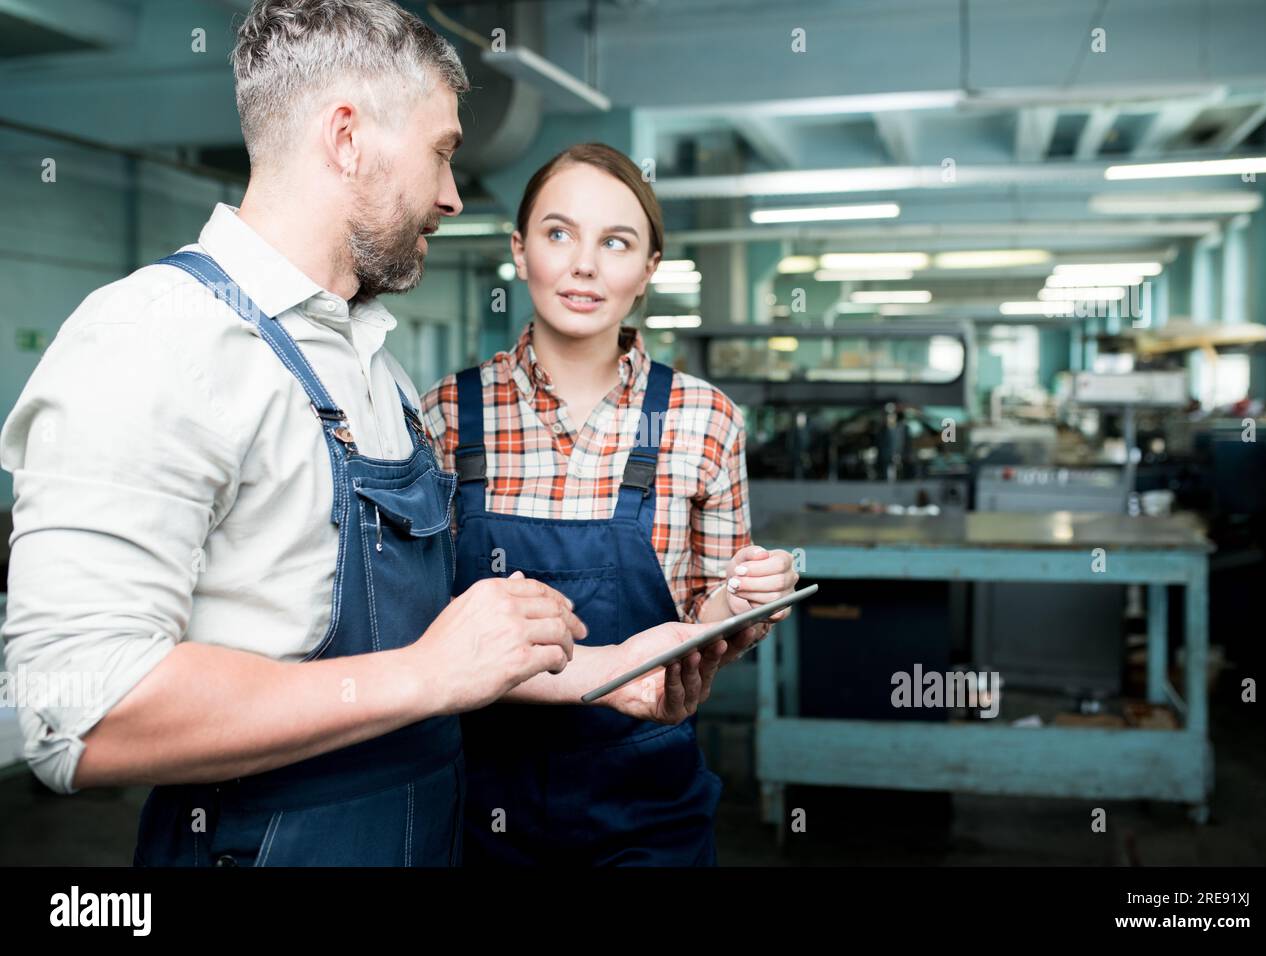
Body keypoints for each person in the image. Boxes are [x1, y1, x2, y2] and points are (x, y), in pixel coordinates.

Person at [0, 1, 720, 868]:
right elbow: (73, 712)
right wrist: (425, 678)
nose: (454, 194)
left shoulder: (371, 365)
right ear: (348, 138)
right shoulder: (155, 342)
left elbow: (427, 649)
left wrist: (606, 666)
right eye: (443, 151)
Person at [423, 143, 800, 866]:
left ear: (648, 269)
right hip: (477, 802)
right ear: (520, 250)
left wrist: (748, 595)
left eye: (616, 242)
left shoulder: (703, 418)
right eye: (558, 233)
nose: (584, 265)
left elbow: (709, 619)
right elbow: (417, 622)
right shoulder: (445, 415)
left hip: (646, 808)